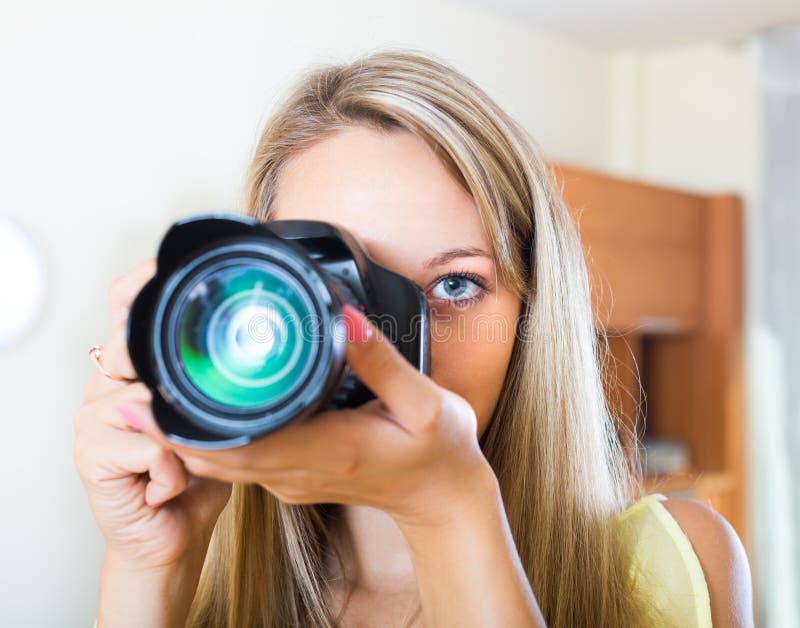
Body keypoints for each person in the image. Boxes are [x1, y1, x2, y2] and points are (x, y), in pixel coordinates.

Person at [73, 48, 753, 627]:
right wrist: (147, 569)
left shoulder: (674, 568)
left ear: (531, 315)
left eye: (456, 285)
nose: (389, 341)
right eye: (333, 284)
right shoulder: (194, 596)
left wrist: (450, 511)